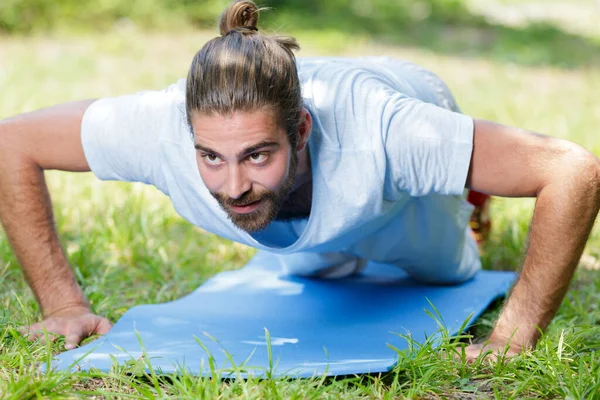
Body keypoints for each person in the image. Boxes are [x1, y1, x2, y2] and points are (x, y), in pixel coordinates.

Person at [1, 0, 598, 362]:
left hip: (408, 109)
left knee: (448, 266)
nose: (232, 186)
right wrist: (63, 305)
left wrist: (514, 335)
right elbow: (12, 140)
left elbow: (572, 169)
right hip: (318, 214)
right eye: (210, 157)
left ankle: (471, 201)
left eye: (257, 155)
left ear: (303, 129)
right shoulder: (156, 129)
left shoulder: (386, 136)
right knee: (313, 263)